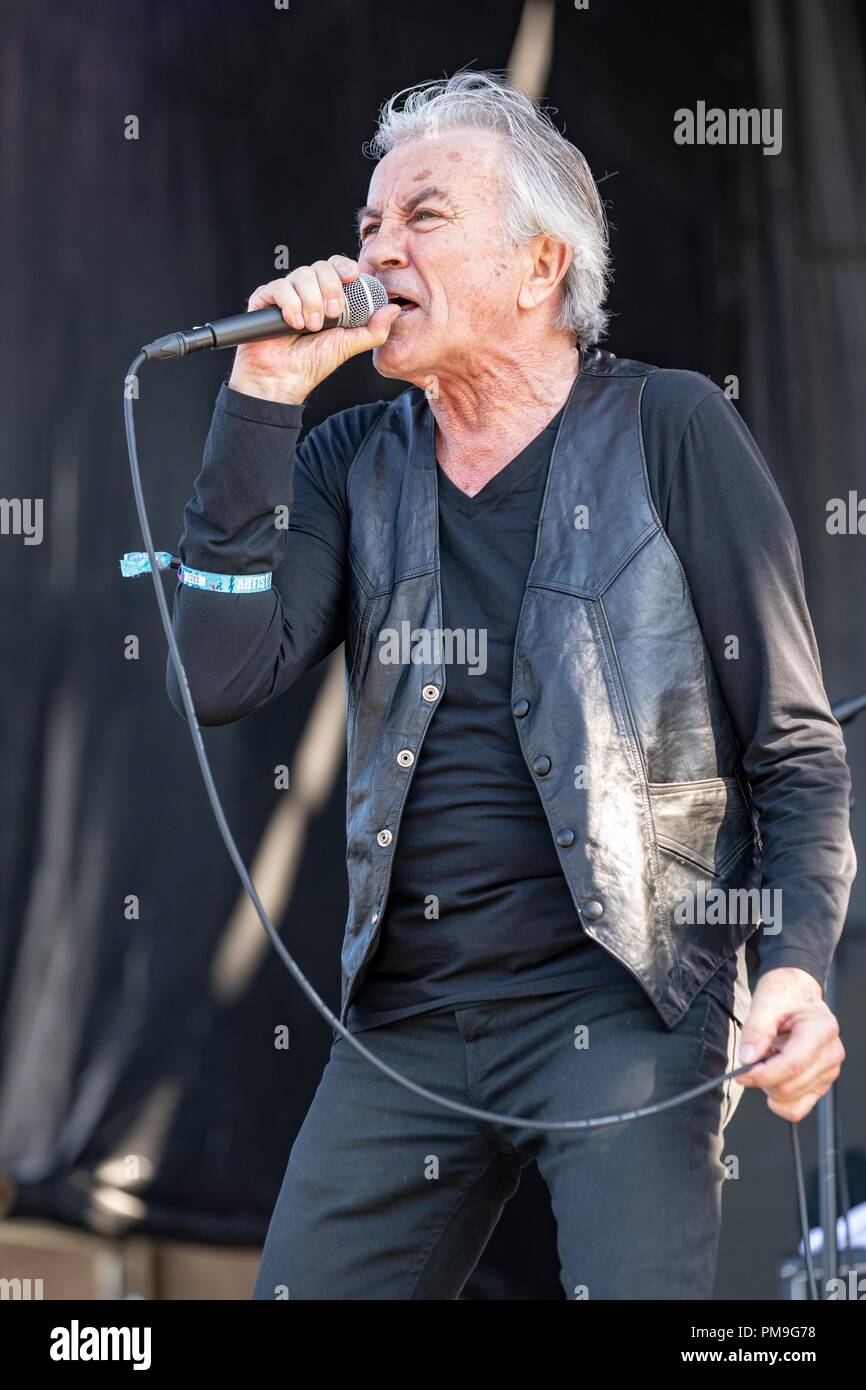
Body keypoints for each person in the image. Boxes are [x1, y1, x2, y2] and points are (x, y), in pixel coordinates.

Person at [167, 72, 856, 1299]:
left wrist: (794, 964)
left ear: (539, 267)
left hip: (628, 1001)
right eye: (369, 223)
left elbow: (794, 754)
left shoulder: (672, 429)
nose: (375, 250)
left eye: (421, 217)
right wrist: (260, 401)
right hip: (406, 1025)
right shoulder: (347, 460)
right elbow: (220, 674)